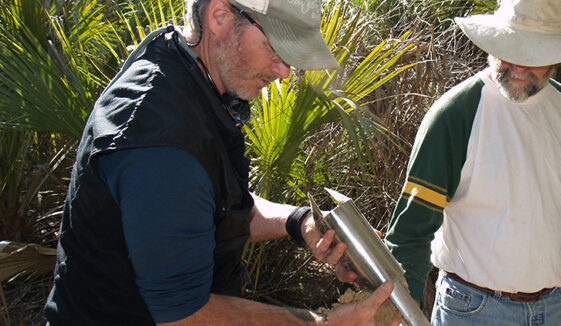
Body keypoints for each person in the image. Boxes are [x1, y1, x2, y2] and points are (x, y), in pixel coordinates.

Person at [44, 0, 398, 325]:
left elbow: (209, 205)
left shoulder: (184, 66)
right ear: (219, 16)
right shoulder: (160, 140)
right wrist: (322, 324)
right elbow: (185, 315)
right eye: (276, 48)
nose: (285, 71)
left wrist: (299, 223)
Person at [384, 0, 561, 325]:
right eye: (511, 48)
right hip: (472, 311)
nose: (520, 67)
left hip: (558, 308)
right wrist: (398, 305)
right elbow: (410, 231)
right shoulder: (455, 115)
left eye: (536, 54)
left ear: (558, 56)